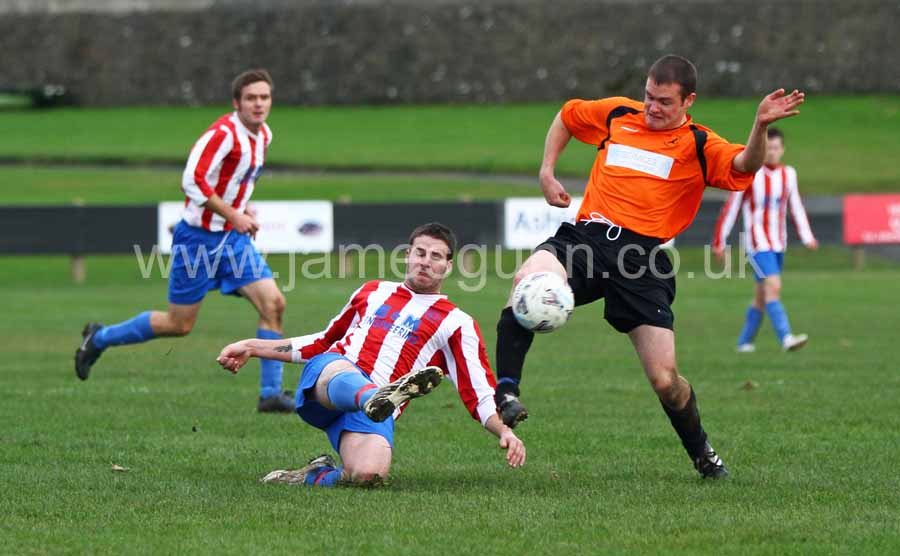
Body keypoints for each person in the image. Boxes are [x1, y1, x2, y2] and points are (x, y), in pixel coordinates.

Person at [492, 54, 805, 479]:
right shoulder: (620, 114)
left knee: (665, 380)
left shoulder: (699, 143)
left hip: (643, 261)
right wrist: (547, 171)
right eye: (649, 97)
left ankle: (704, 455)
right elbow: (566, 116)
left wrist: (760, 126)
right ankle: (506, 394)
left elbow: (742, 166)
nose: (652, 108)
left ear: (688, 101)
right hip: (589, 237)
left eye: (664, 101)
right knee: (528, 283)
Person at [216, 223, 526, 486]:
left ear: (448, 266)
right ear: (407, 255)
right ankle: (375, 397)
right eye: (419, 252)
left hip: (373, 412)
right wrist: (253, 346)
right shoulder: (373, 291)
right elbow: (322, 343)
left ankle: (313, 474)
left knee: (367, 474)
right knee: (346, 374)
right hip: (331, 376)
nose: (425, 262)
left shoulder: (458, 324)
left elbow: (479, 393)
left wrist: (505, 432)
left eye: (435, 257)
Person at [75, 69, 295, 413]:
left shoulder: (264, 135)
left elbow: (234, 182)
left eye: (264, 97)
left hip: (233, 241)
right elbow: (192, 181)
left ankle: (270, 394)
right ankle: (99, 338)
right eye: (251, 98)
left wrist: (242, 209)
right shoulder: (222, 134)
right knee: (179, 325)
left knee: (273, 304)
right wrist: (233, 215)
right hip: (198, 241)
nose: (258, 104)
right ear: (237, 102)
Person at [712, 127, 817, 352]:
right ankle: (786, 338)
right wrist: (719, 241)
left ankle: (744, 343)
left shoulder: (789, 174)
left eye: (776, 148)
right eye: (767, 147)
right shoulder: (750, 174)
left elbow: (796, 207)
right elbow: (731, 209)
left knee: (762, 297)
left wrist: (807, 236)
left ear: (783, 149)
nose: (771, 152)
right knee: (773, 287)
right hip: (758, 244)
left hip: (779, 243)